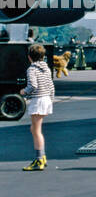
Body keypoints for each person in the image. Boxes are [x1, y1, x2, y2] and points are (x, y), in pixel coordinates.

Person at [22, 43, 54, 171]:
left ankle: (39, 159)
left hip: (38, 100)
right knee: (34, 129)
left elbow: (33, 86)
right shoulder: (46, 68)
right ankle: (43, 156)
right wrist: (51, 100)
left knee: (36, 131)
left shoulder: (32, 69)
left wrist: (24, 92)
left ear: (29, 57)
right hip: (46, 99)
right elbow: (51, 86)